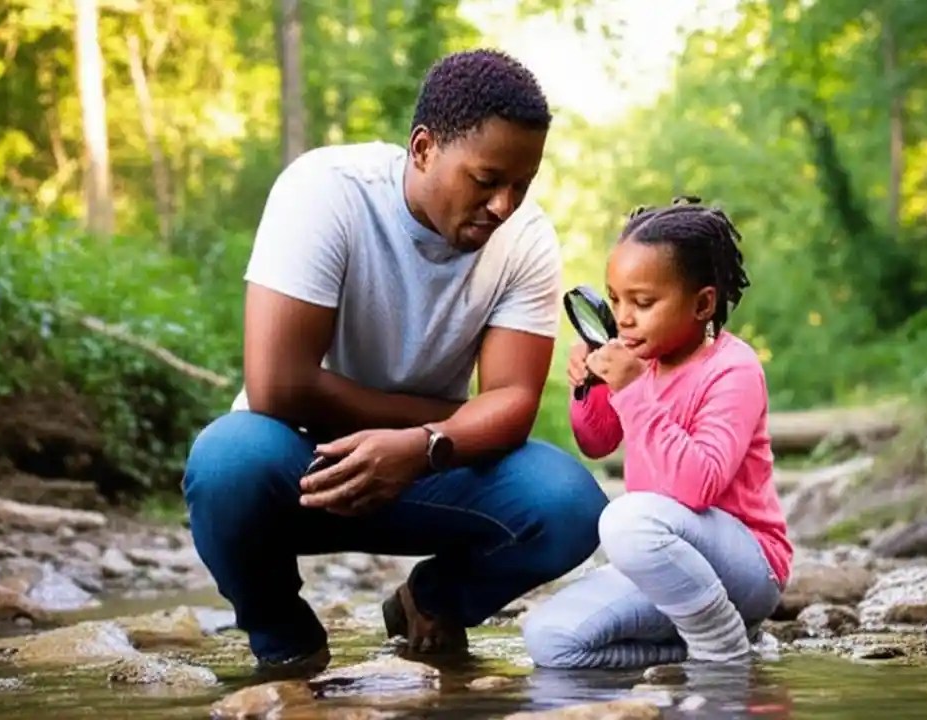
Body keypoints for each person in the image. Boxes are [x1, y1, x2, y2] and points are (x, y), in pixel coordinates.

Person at [182, 49, 608, 676]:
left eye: (522, 184)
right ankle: (286, 644)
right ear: (423, 148)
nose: (504, 205)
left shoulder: (527, 239)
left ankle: (429, 602)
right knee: (225, 461)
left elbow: (512, 406)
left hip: (429, 468)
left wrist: (419, 445)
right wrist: (443, 422)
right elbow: (275, 386)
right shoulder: (325, 191)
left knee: (569, 505)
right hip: (300, 466)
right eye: (487, 179)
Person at [521, 197, 793, 668]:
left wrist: (630, 388)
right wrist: (588, 387)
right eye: (615, 300)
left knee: (625, 518)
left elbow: (696, 486)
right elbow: (596, 441)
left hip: (747, 564)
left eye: (643, 302)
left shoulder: (733, 369)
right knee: (547, 639)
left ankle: (720, 645)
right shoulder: (638, 361)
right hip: (663, 558)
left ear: (703, 304)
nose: (624, 318)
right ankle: (714, 647)